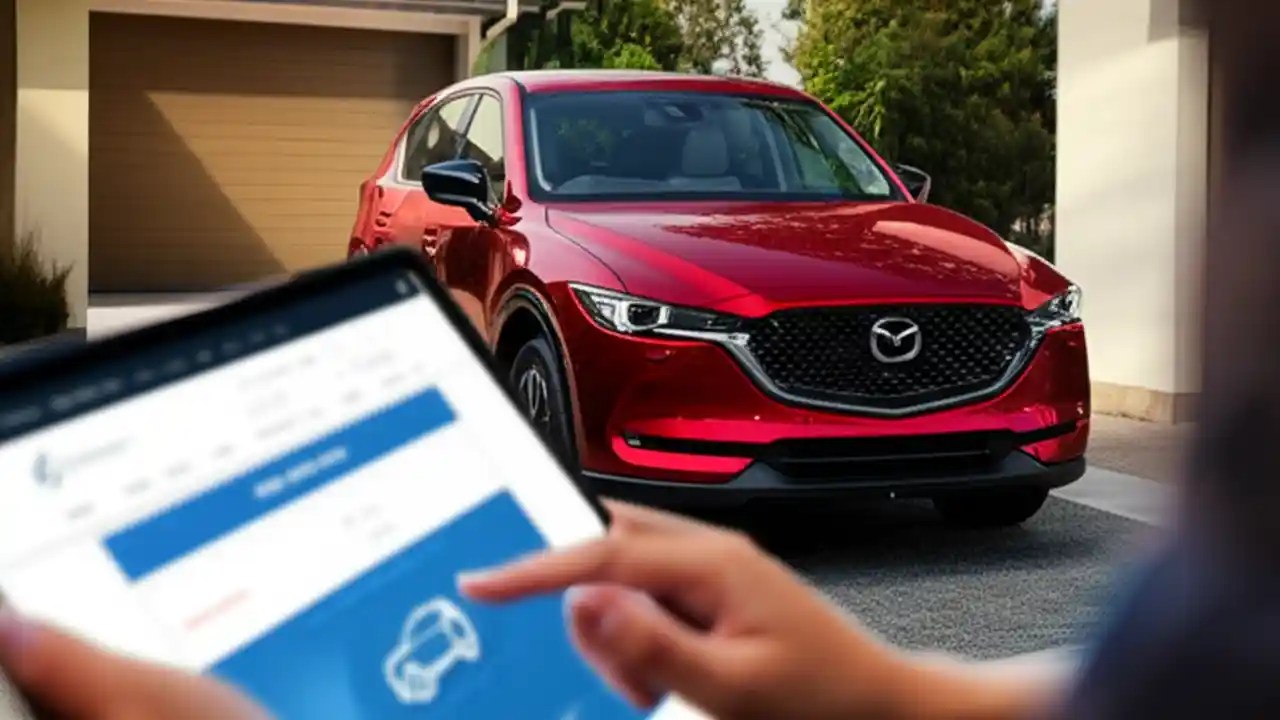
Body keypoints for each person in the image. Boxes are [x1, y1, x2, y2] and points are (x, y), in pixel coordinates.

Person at [3, 1, 1279, 717]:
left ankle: (983, 453)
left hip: (968, 406)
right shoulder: (515, 204)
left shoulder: (920, 226)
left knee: (1023, 314)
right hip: (591, 275)